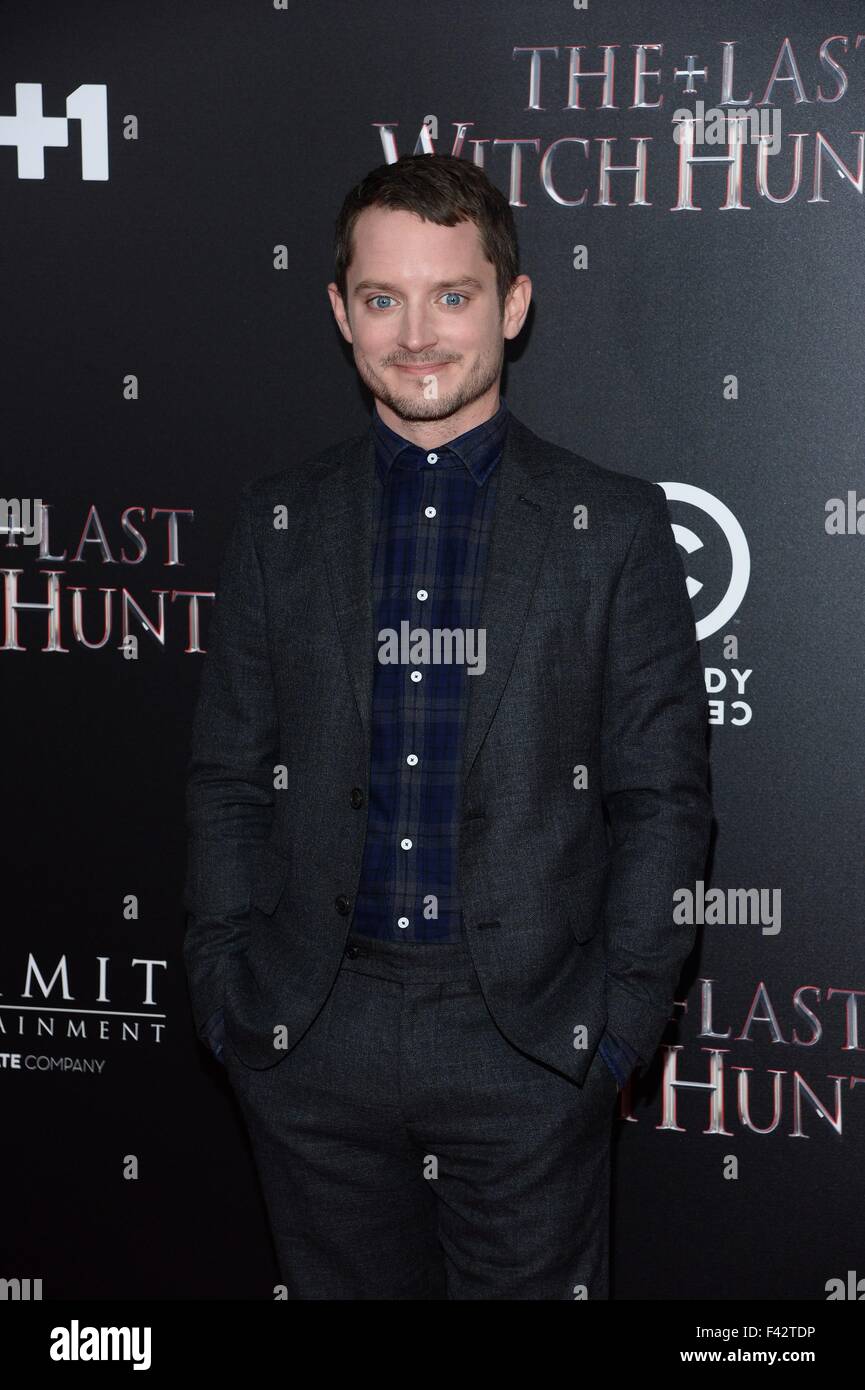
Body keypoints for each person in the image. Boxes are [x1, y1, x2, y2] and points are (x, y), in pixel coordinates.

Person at [182, 151, 713, 1300]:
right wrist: (228, 988)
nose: (415, 332)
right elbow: (229, 775)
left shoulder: (612, 529)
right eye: (382, 298)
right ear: (340, 312)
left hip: (525, 1042)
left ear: (513, 305)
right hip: (309, 1030)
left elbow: (661, 802)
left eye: (452, 295)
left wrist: (615, 1028)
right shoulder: (280, 521)